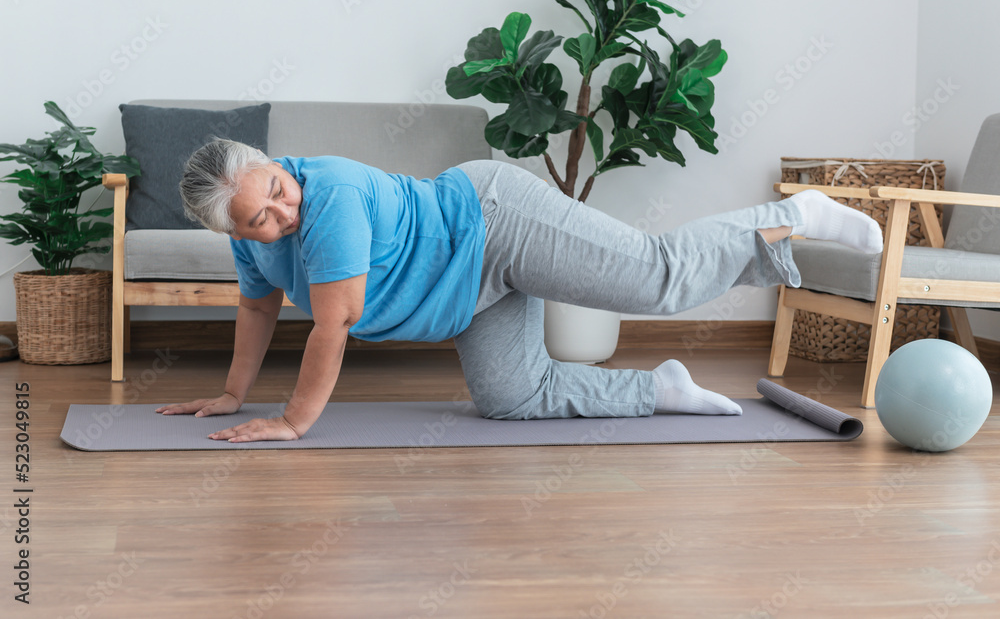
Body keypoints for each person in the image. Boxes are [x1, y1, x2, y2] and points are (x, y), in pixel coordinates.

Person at [157, 138, 883, 442]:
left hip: (493, 220)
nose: (285, 212)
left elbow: (332, 324)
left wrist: (291, 420)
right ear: (238, 231)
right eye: (262, 218)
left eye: (279, 191)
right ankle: (658, 388)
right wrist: (229, 392)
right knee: (511, 397)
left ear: (279, 168)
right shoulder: (255, 245)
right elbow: (256, 308)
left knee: (656, 278)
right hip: (463, 284)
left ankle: (796, 216)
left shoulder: (331, 198)